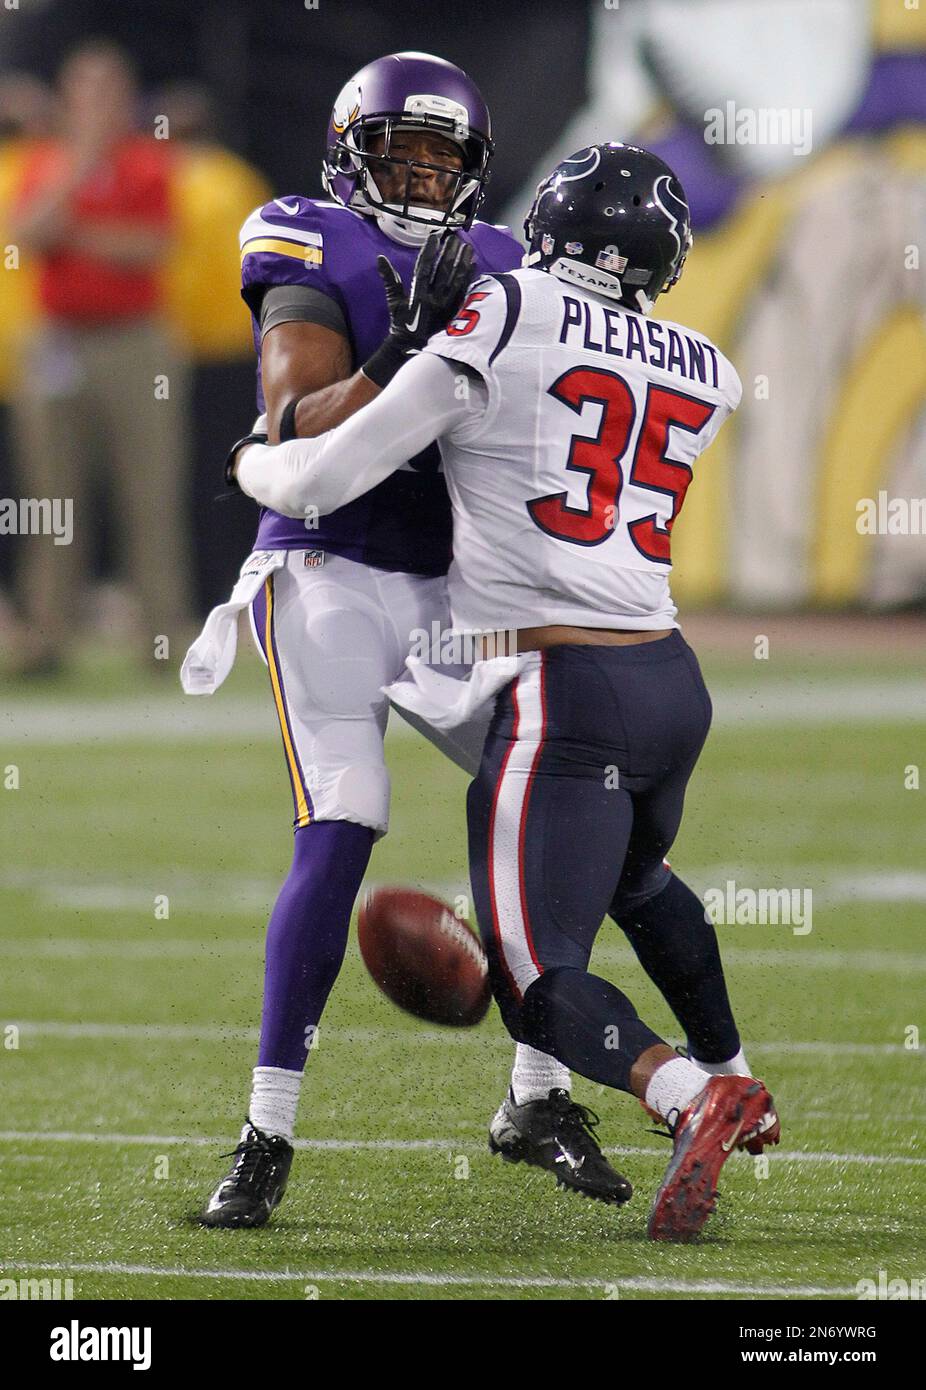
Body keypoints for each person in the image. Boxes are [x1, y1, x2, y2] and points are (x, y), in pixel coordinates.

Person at [230, 142, 781, 1242]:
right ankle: (733, 1066)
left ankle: (685, 1092)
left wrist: (254, 460)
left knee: (535, 977)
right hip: (670, 680)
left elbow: (322, 473)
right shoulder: (703, 365)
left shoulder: (506, 309)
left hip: (560, 680)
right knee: (637, 875)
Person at [183, 54, 632, 1230]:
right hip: (325, 564)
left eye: (445, 155)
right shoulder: (301, 233)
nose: (424, 173)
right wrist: (402, 347)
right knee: (341, 824)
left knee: (547, 807)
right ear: (349, 146)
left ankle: (534, 1097)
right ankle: (266, 1130)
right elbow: (292, 416)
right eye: (403, 148)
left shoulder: (504, 259)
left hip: (452, 586)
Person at [8, 40, 193, 675]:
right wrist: (77, 168)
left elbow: (153, 245)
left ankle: (162, 638)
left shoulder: (148, 163)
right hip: (58, 339)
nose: (95, 104)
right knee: (51, 499)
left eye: (107, 91)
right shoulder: (47, 162)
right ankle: (46, 637)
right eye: (83, 91)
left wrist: (76, 235)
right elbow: (26, 236)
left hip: (133, 342)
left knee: (149, 493)